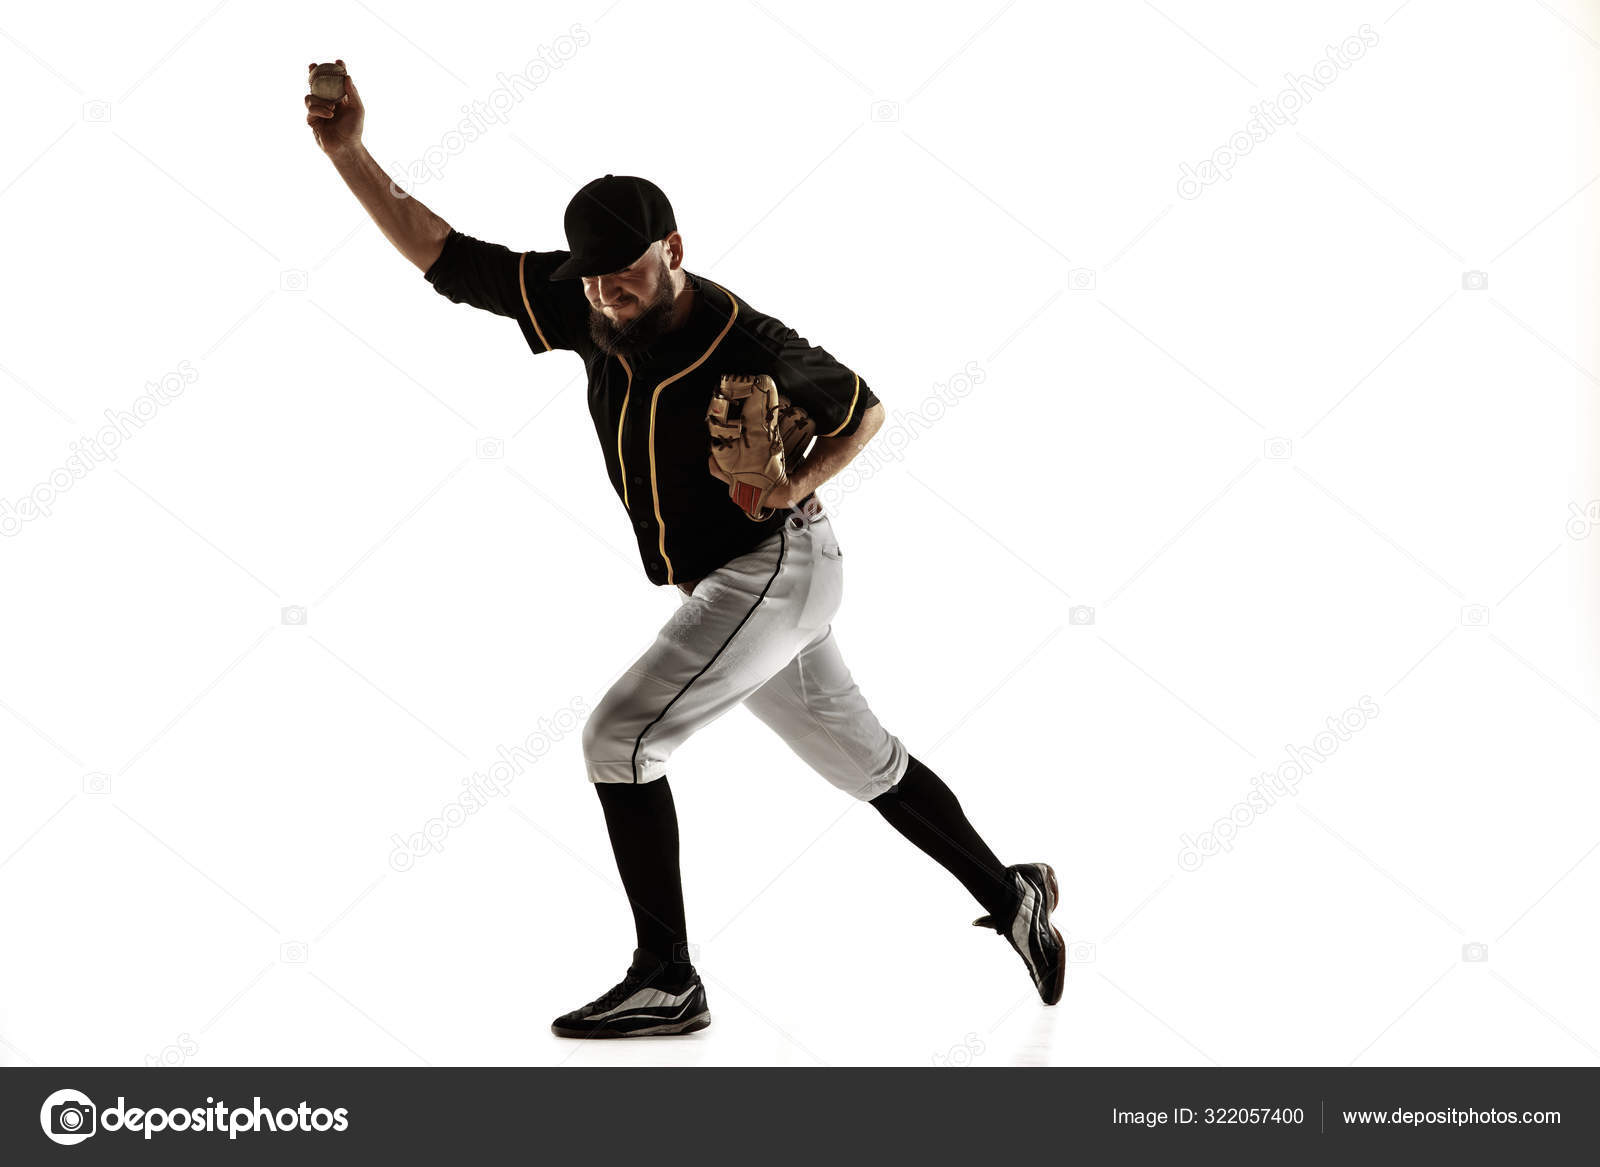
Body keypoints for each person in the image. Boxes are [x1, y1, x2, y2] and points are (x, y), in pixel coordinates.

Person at [305, 61, 1064, 1038]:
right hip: (747, 582)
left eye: (628, 269)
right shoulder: (586, 301)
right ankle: (1012, 895)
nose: (610, 290)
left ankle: (666, 976)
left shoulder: (740, 336)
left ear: (672, 249)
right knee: (867, 763)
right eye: (595, 274)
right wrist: (350, 155)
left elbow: (862, 408)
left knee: (617, 740)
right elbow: (448, 256)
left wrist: (795, 479)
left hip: (773, 564)